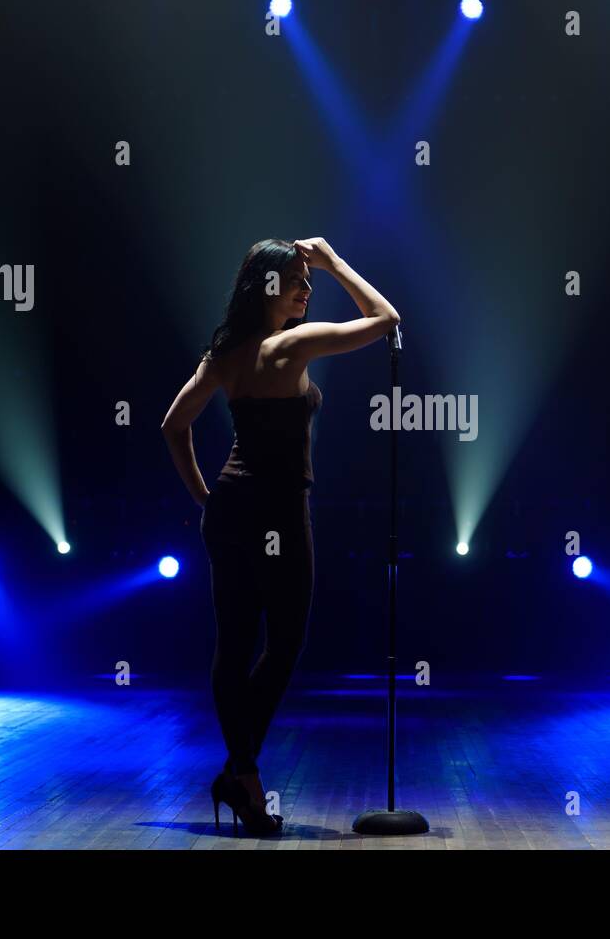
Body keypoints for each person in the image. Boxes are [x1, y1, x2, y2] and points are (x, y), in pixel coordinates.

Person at [160, 236, 400, 835]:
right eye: (296, 279)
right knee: (283, 644)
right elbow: (386, 319)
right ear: (264, 286)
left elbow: (173, 426)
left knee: (237, 646)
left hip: (233, 511)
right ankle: (241, 775)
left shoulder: (227, 355)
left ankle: (241, 776)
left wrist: (207, 501)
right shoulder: (291, 345)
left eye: (309, 278)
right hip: (279, 515)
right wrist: (335, 259)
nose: (306, 287)